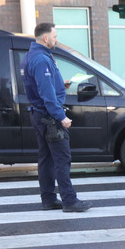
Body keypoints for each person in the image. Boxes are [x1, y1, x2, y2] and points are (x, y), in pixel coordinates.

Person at [22, 23, 90, 212]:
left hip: (39, 114)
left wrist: (61, 84)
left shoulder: (30, 56)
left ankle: (49, 199)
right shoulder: (42, 59)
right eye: (55, 36)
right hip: (49, 117)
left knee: (46, 159)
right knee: (61, 159)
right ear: (46, 38)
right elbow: (47, 95)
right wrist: (62, 117)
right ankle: (69, 201)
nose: (56, 40)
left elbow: (41, 85)